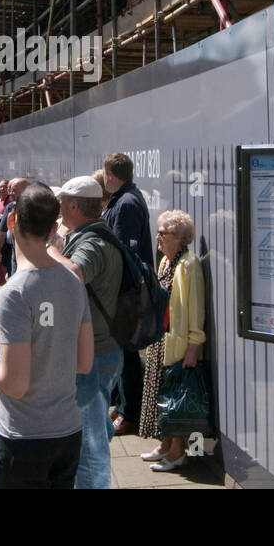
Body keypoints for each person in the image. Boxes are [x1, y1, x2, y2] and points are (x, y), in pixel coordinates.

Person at [0, 182, 92, 489]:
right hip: (67, 434)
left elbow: (15, 384)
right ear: (53, 230)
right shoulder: (73, 283)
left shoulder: (15, 293)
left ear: (12, 221)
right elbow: (84, 362)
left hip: (24, 437)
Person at [50, 175, 124, 489]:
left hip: (94, 354)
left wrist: (45, 248)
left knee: (90, 444)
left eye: (62, 204)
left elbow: (75, 274)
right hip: (101, 349)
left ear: (76, 205)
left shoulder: (93, 241)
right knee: (94, 429)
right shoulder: (95, 233)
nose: (59, 211)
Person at [143, 209, 205, 472]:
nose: (158, 237)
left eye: (163, 233)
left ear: (179, 238)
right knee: (161, 392)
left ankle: (178, 451)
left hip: (178, 341)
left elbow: (195, 307)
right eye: (158, 232)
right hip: (162, 338)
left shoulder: (188, 264)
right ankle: (165, 444)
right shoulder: (166, 261)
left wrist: (193, 345)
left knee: (175, 395)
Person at [102, 152, 153, 436]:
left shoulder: (127, 203)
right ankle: (123, 405)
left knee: (128, 353)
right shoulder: (124, 199)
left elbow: (124, 252)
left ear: (110, 175)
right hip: (124, 290)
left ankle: (129, 413)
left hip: (127, 292)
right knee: (123, 351)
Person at [0, 177, 28, 277]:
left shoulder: (34, 207)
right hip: (15, 254)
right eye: (10, 190)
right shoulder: (10, 207)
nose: (11, 193)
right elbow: (2, 231)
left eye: (14, 190)